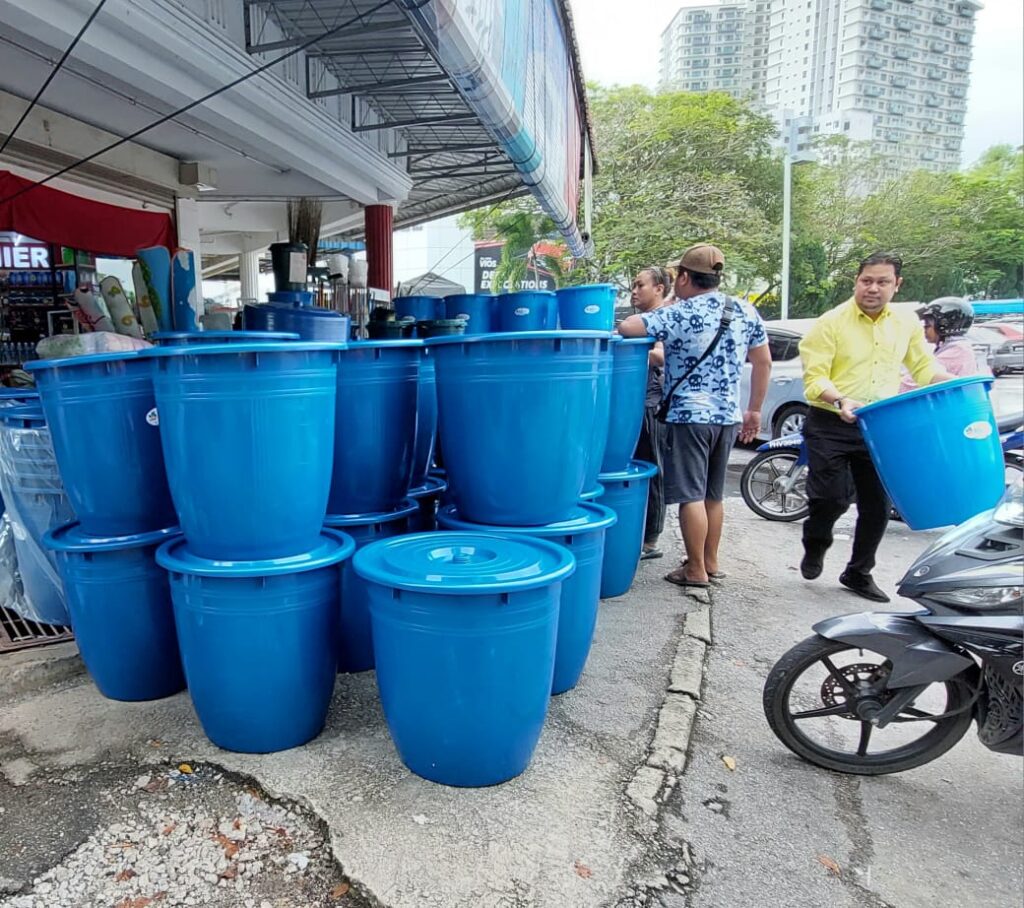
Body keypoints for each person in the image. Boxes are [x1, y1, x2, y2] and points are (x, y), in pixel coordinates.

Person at [798, 252, 955, 603]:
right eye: (866, 280)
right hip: (830, 420)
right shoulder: (831, 322)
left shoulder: (905, 323)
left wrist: (959, 384)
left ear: (896, 285)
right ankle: (816, 543)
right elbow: (814, 377)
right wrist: (840, 399)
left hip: (880, 424)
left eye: (882, 282)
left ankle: (858, 571)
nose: (873, 288)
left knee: (877, 506)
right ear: (856, 281)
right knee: (830, 499)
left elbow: (923, 367)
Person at [618, 244, 771, 589]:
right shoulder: (744, 310)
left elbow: (629, 327)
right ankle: (712, 562)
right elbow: (763, 362)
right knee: (714, 495)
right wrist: (755, 410)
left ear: (685, 277)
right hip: (727, 417)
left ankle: (696, 569)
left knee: (691, 496)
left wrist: (669, 307)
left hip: (689, 417)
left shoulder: (681, 313)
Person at [629, 266, 671, 559]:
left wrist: (636, 348)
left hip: (653, 404)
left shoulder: (665, 319)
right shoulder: (646, 320)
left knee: (653, 468)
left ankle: (651, 539)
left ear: (659, 288)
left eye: (640, 285)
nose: (634, 290)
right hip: (636, 402)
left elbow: (663, 354)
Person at [899, 296, 988, 392]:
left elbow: (913, 381)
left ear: (943, 325)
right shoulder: (954, 347)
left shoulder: (957, 351)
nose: (924, 330)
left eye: (927, 325)